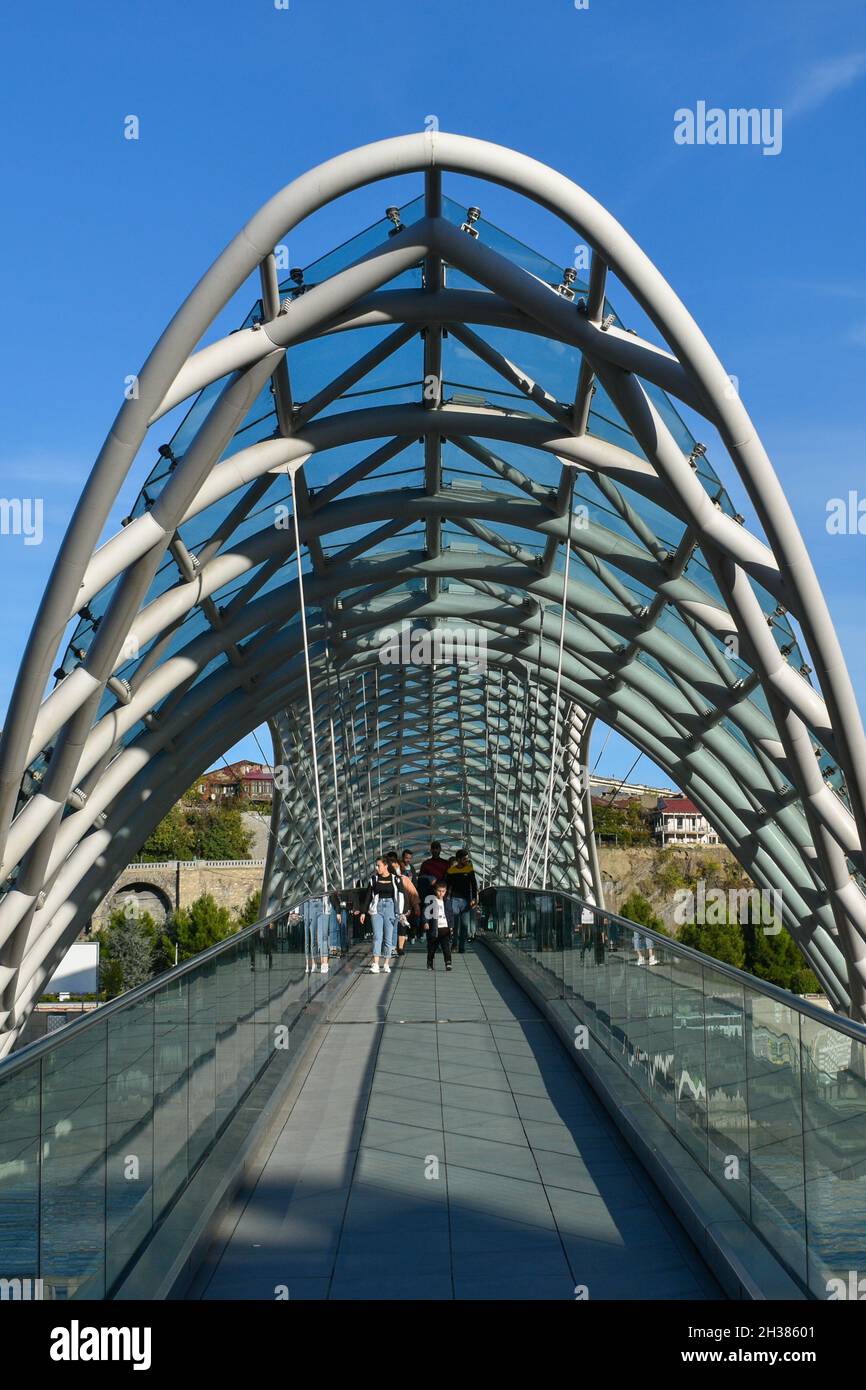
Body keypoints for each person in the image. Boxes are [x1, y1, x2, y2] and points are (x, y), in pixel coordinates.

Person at [360, 857, 404, 974]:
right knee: (377, 937)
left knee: (388, 938)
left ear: (385, 866)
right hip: (376, 909)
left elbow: (401, 895)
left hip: (391, 909)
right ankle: (375, 964)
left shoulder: (395, 879)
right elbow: (368, 896)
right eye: (376, 865)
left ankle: (386, 964)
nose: (376, 868)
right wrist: (363, 912)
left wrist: (400, 913)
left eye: (378, 865)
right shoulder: (374, 879)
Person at [445, 848, 479, 953]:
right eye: (464, 859)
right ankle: (454, 944)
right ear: (459, 859)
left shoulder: (469, 870)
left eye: (467, 859)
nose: (466, 861)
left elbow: (474, 885)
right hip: (454, 900)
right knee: (455, 924)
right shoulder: (451, 871)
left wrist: (474, 898)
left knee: (464, 925)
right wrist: (447, 897)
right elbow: (448, 885)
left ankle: (462, 946)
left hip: (466, 901)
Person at [387, 852, 420, 956]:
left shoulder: (404, 879)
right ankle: (392, 946)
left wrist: (416, 906)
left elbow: (413, 893)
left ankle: (400, 947)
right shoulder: (387, 880)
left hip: (403, 908)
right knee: (391, 927)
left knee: (402, 927)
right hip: (390, 907)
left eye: (397, 867)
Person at [425, 880, 453, 971]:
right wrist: (425, 922)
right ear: (435, 890)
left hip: (445, 928)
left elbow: (450, 914)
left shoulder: (447, 901)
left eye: (443, 891)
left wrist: (451, 926)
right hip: (434, 928)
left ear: (446, 891)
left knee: (446, 947)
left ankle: (448, 962)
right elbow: (426, 912)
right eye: (439, 891)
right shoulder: (431, 900)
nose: (441, 893)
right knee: (432, 947)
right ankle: (430, 962)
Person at [419, 840, 451, 905]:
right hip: (429, 893)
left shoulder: (446, 863)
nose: (435, 850)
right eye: (433, 848)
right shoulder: (426, 863)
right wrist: (430, 878)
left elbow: (449, 879)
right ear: (431, 850)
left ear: (440, 849)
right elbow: (421, 878)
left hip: (442, 893)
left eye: (437, 848)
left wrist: (447, 893)